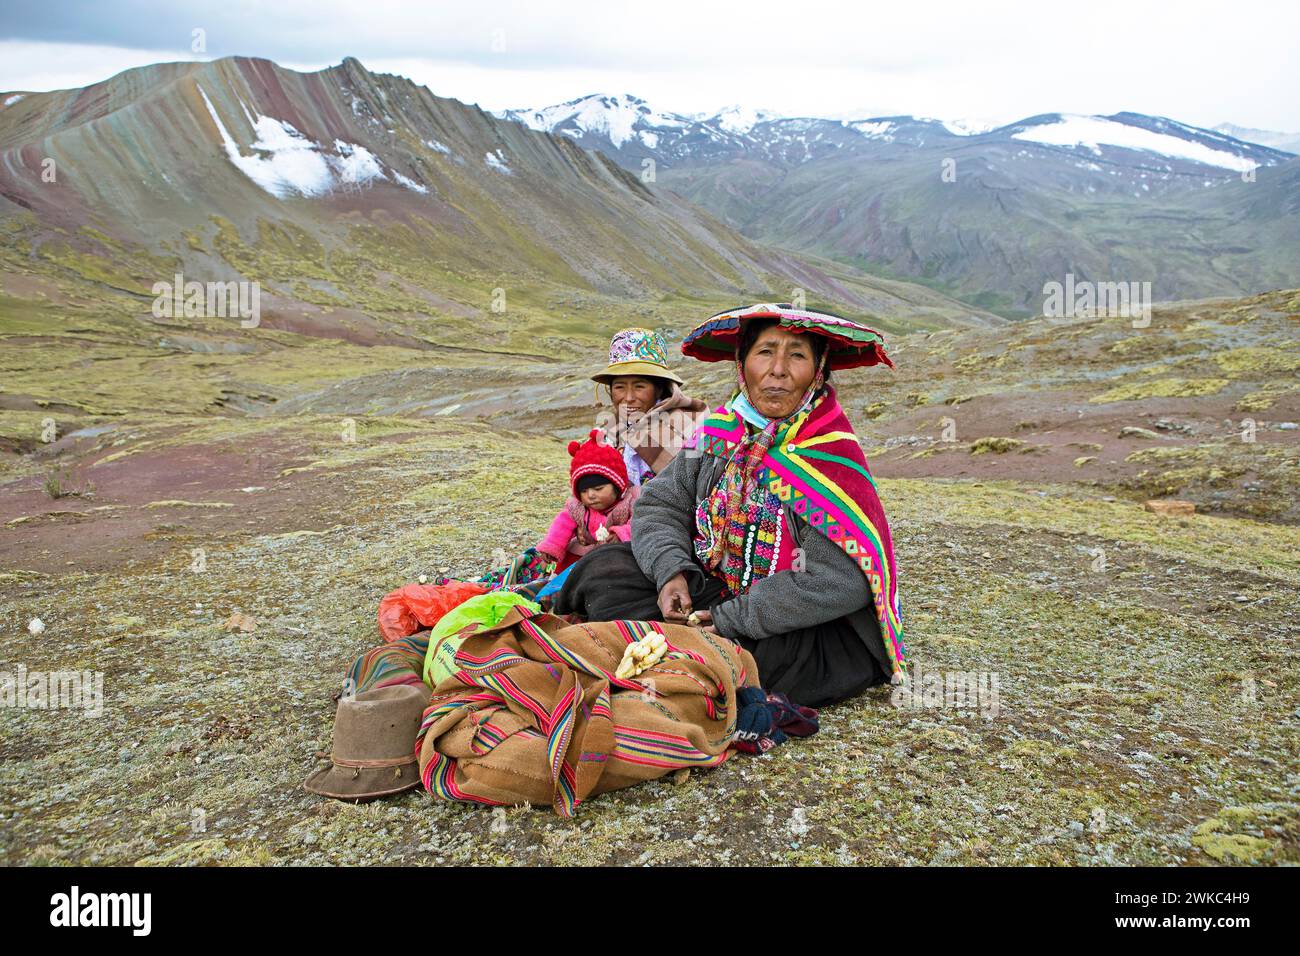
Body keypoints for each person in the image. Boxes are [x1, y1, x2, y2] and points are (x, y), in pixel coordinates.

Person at [555, 303, 907, 708]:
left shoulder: (831, 456)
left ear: (818, 371)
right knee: (602, 569)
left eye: (796, 355)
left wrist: (732, 619)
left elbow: (841, 580)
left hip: (789, 623)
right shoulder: (720, 432)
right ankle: (680, 647)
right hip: (712, 589)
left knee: (752, 666)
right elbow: (660, 504)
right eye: (765, 352)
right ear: (742, 364)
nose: (778, 369)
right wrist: (671, 572)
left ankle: (678, 654)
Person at [592, 328, 709, 486]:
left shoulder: (685, 425)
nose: (628, 398)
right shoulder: (613, 428)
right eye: (620, 387)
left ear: (659, 389)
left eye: (639, 387)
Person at [534, 429, 639, 574]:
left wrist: (622, 534)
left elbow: (640, 521)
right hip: (588, 549)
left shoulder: (631, 501)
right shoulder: (577, 507)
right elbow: (562, 525)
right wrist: (552, 546)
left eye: (598, 488)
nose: (590, 495)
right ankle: (559, 588)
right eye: (583, 491)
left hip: (619, 550)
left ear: (618, 485)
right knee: (569, 558)